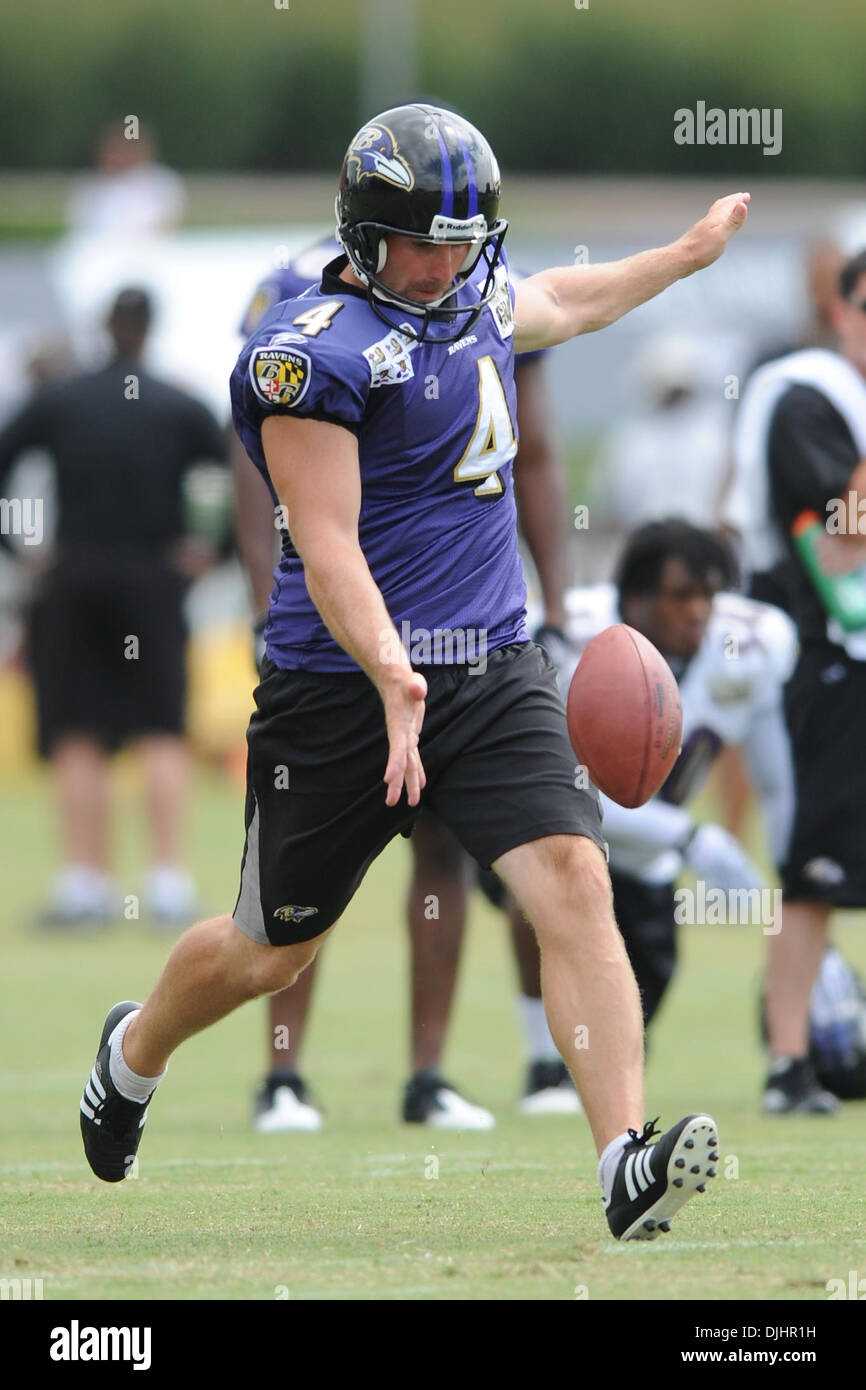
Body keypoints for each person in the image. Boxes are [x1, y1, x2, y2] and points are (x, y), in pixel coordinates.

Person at [79, 105, 749, 1241]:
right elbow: (328, 541)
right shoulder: (309, 354)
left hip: (489, 666)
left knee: (573, 885)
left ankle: (622, 1165)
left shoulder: (479, 292)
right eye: (421, 243)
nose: (444, 265)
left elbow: (571, 303)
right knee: (267, 949)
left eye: (462, 240)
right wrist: (391, 674)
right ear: (363, 233)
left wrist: (683, 255)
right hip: (337, 686)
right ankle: (131, 1053)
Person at [232, 236, 576, 1132]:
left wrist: (559, 597)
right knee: (296, 903)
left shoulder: (477, 285)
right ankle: (284, 1075)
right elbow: (269, 475)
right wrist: (262, 601)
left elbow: (528, 446)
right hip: (338, 649)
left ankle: (429, 1073)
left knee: (448, 857)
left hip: (467, 642)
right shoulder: (299, 301)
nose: (446, 250)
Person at [0, 288, 226, 925]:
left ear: (105, 328)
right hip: (155, 577)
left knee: (77, 732)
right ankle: (164, 883)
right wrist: (208, 546)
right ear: (151, 329)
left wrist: (22, 547)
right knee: (161, 728)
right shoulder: (178, 404)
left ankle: (85, 885)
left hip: (73, 577)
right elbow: (224, 474)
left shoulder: (63, 400)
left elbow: (6, 467)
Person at [522, 520, 797, 1031]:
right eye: (682, 596)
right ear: (636, 598)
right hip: (555, 835)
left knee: (643, 991)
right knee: (542, 897)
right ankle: (545, 1067)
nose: (699, 613)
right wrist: (690, 837)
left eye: (709, 595)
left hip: (649, 853)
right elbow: (543, 789)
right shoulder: (564, 641)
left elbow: (776, 782)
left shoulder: (755, 642)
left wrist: (793, 883)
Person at [741, 247, 866, 1114]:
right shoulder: (807, 394)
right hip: (826, 654)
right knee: (815, 868)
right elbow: (839, 531)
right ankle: (789, 1061)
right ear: (841, 311)